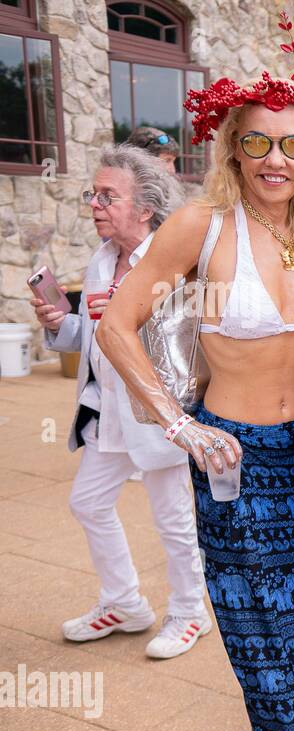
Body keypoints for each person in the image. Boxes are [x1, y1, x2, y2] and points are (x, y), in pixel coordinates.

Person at [97, 59, 294, 731]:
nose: (276, 160)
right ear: (233, 149)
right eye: (258, 142)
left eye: (293, 146)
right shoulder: (199, 227)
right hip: (231, 460)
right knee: (258, 631)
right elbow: (116, 323)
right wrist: (179, 427)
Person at [30, 144, 206, 659]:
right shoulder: (101, 259)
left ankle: (190, 612)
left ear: (145, 208)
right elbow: (96, 337)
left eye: (108, 196)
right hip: (106, 410)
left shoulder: (171, 259)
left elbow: (189, 337)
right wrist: (64, 326)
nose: (95, 204)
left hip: (156, 413)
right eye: (93, 194)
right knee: (87, 502)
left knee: (174, 518)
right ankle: (125, 602)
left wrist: (135, 314)